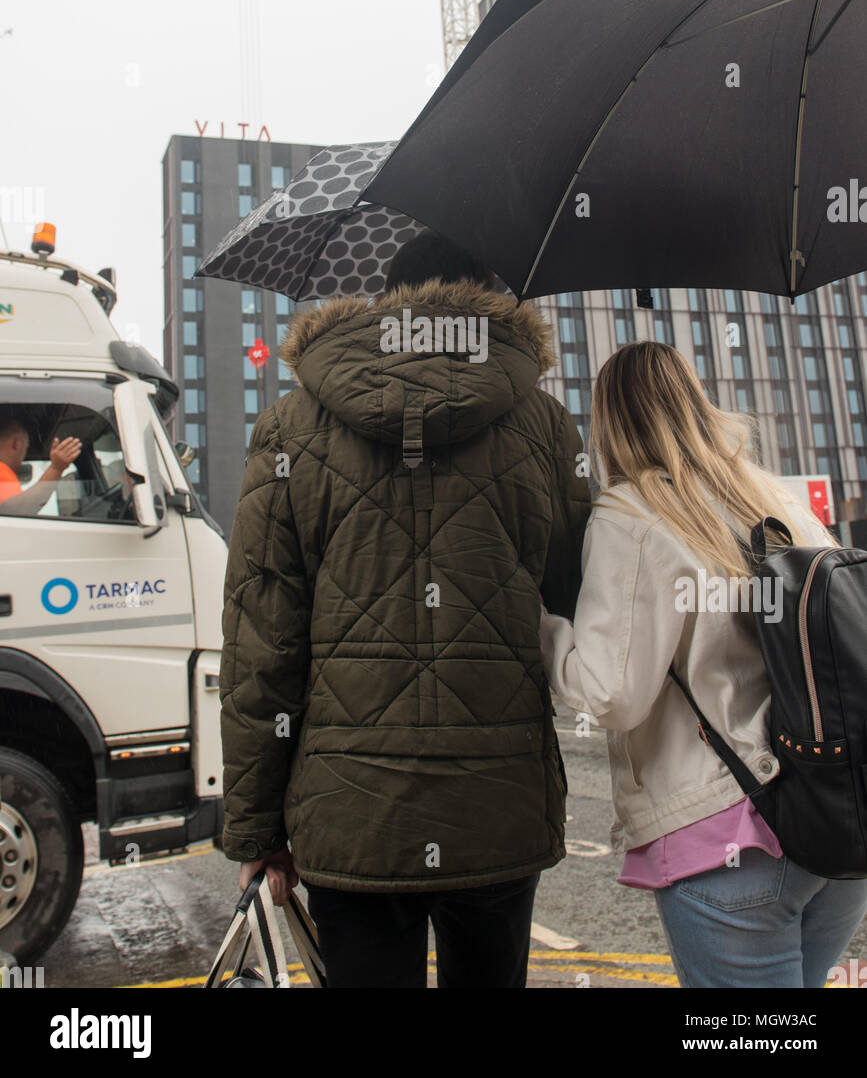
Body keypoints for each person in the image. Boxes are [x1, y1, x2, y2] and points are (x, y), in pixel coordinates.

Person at [219, 230, 591, 988]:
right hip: (498, 800)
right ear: (485, 303)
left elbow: (261, 641)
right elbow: (574, 593)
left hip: (350, 813)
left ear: (385, 303)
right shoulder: (544, 426)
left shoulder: (292, 426)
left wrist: (256, 825)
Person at [541, 340, 867, 988]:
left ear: (607, 422)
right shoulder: (775, 498)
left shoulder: (629, 515)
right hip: (833, 818)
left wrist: (544, 631)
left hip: (726, 832)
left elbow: (613, 694)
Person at [0, 418, 82, 516]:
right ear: (16, 444)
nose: (23, 456)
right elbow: (18, 511)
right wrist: (56, 468)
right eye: (26, 448)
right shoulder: (3, 472)